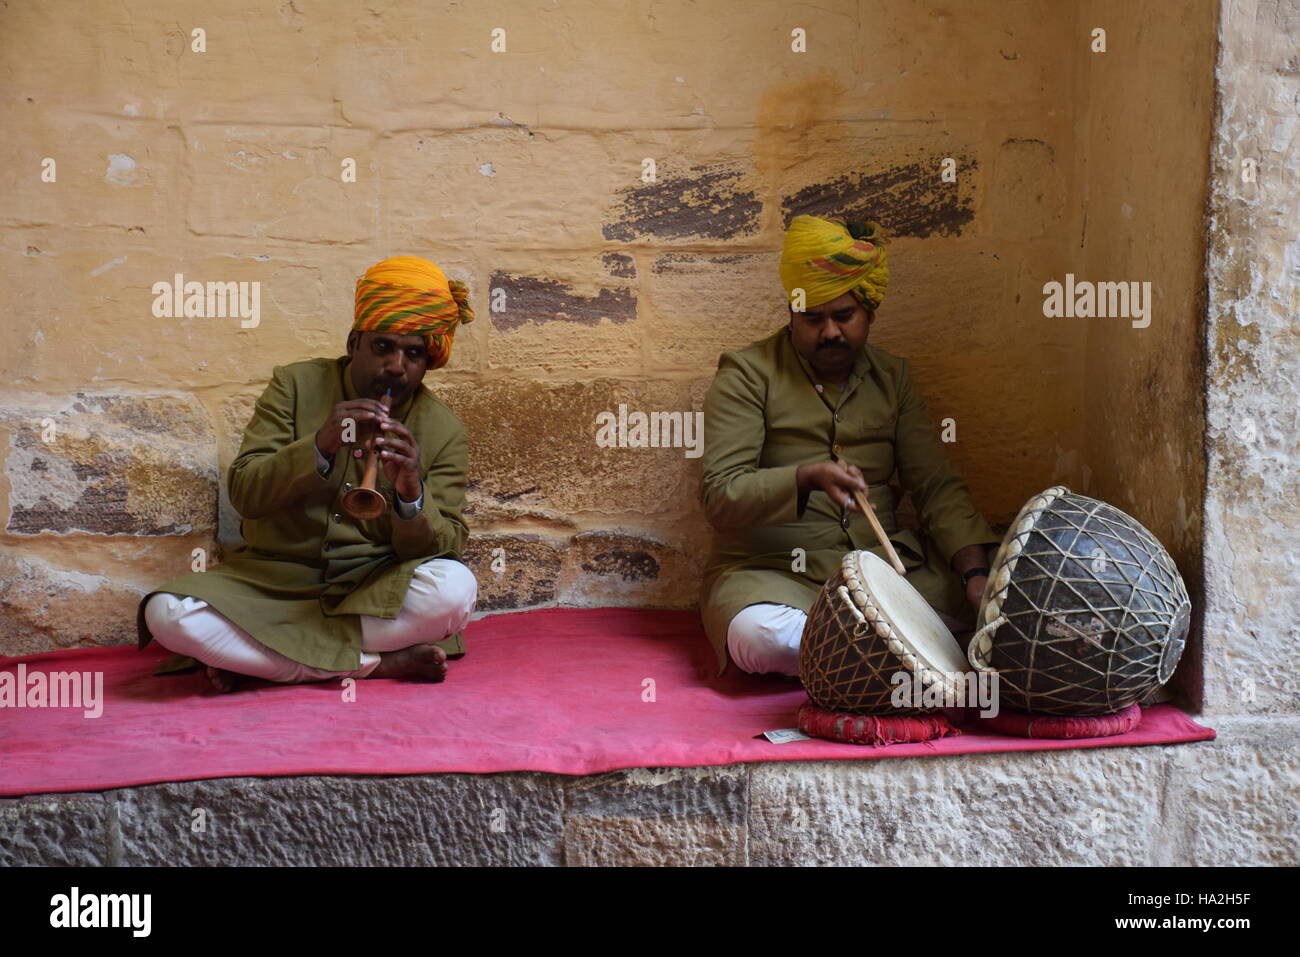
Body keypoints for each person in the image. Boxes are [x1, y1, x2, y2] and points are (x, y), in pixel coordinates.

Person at [137, 256, 478, 692]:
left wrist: (411, 494)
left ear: (428, 362)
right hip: (274, 583)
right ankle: (371, 664)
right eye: (383, 347)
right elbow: (246, 492)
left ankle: (265, 661)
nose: (397, 366)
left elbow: (447, 542)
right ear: (354, 342)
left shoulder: (445, 430)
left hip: (371, 588)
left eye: (414, 354)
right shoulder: (295, 386)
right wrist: (320, 444)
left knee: (454, 590)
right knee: (166, 614)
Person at [698, 215, 999, 678]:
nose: (830, 332)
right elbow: (721, 497)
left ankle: (858, 656)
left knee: (1006, 608)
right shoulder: (747, 373)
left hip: (888, 575)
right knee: (762, 637)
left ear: (869, 314)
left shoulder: (892, 378)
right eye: (812, 318)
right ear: (792, 314)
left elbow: (936, 487)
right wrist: (805, 477)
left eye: (844, 316)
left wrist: (975, 578)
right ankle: (904, 655)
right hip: (777, 575)